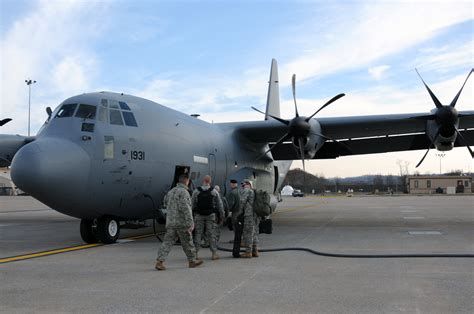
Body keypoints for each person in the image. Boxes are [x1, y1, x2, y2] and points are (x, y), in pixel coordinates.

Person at [155, 174, 203, 270]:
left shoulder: (170, 192)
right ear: (186, 181)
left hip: (171, 222)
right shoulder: (184, 192)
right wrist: (191, 223)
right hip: (182, 223)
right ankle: (192, 261)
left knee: (167, 243)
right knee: (188, 243)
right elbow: (187, 209)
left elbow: (165, 204)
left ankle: (159, 262)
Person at [192, 175, 224, 260]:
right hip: (210, 216)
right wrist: (222, 215)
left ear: (203, 180)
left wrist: (193, 214)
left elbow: (192, 204)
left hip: (199, 215)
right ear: (210, 181)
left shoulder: (196, 191)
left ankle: (195, 254)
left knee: (198, 234)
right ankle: (213, 254)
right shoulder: (214, 191)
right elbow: (220, 205)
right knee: (211, 234)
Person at [240, 179, 259, 258]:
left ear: (247, 184)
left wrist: (239, 211)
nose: (242, 186)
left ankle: (248, 252)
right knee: (254, 233)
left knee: (248, 233)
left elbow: (242, 201)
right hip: (255, 215)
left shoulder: (247, 191)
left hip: (249, 214)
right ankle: (255, 251)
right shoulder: (254, 191)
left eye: (243, 185)